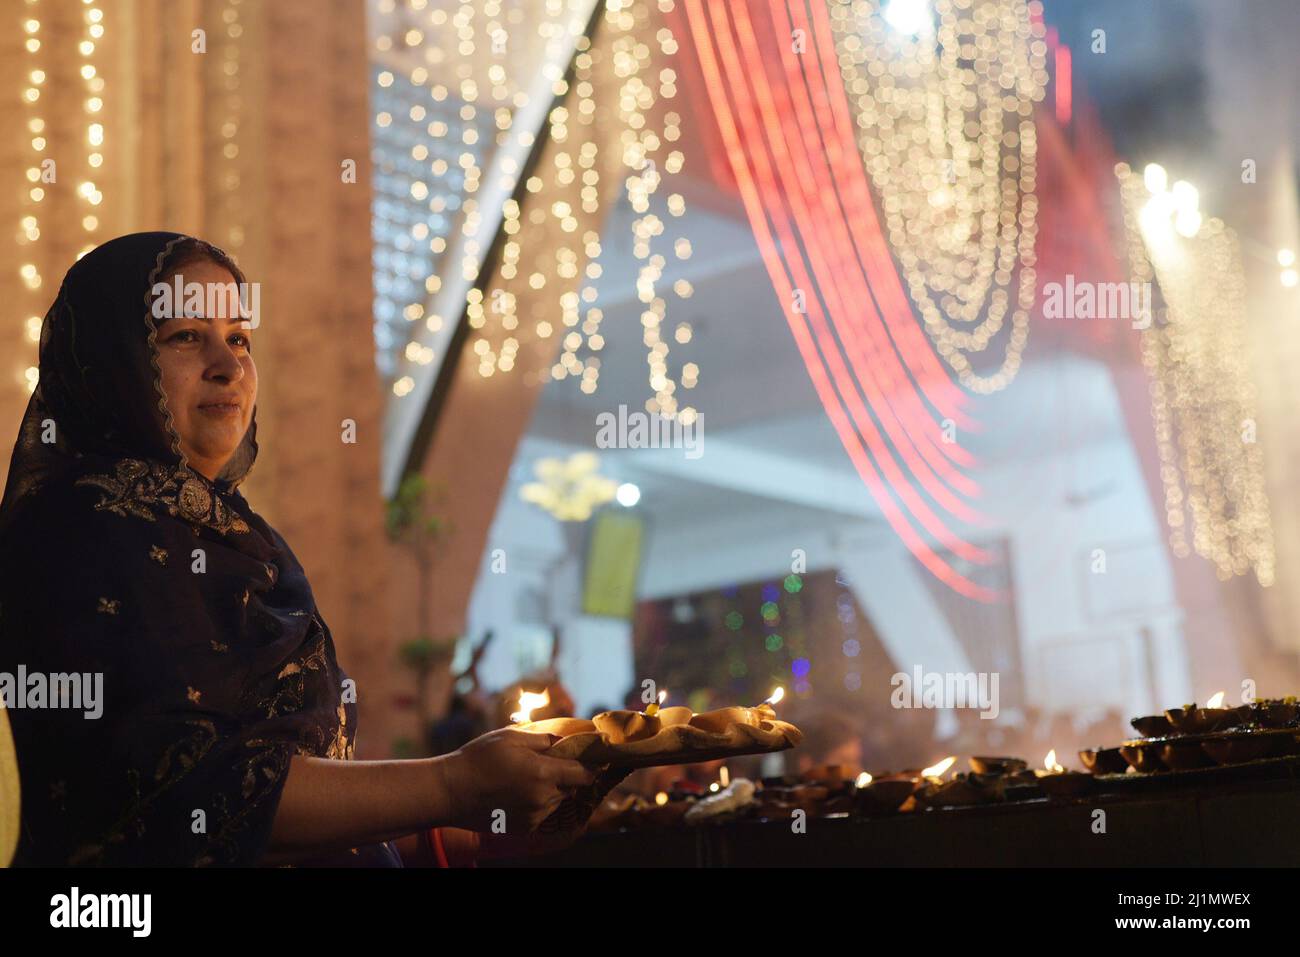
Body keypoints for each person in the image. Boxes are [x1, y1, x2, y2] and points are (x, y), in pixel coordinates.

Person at [0, 232, 595, 866]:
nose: (227, 366)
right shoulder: (81, 526)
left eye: (238, 338)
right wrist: (453, 784)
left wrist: (491, 815)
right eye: (183, 337)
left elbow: (299, 792)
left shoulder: (240, 539)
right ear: (111, 360)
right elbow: (187, 796)